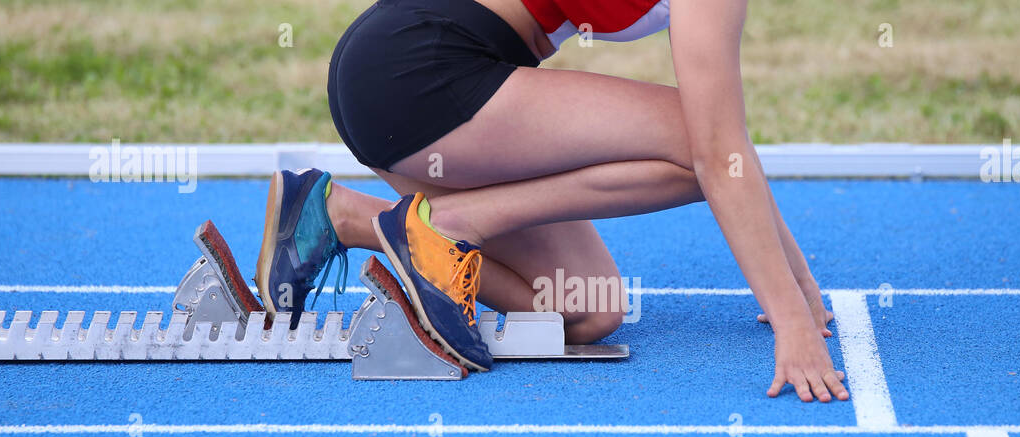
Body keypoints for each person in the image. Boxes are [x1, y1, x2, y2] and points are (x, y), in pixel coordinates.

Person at [254, 0, 849, 402]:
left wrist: (797, 285)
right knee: (696, 141)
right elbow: (719, 150)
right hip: (417, 67)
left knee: (588, 310)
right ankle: (454, 222)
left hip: (405, 83)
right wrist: (792, 323)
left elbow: (727, 148)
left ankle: (339, 216)